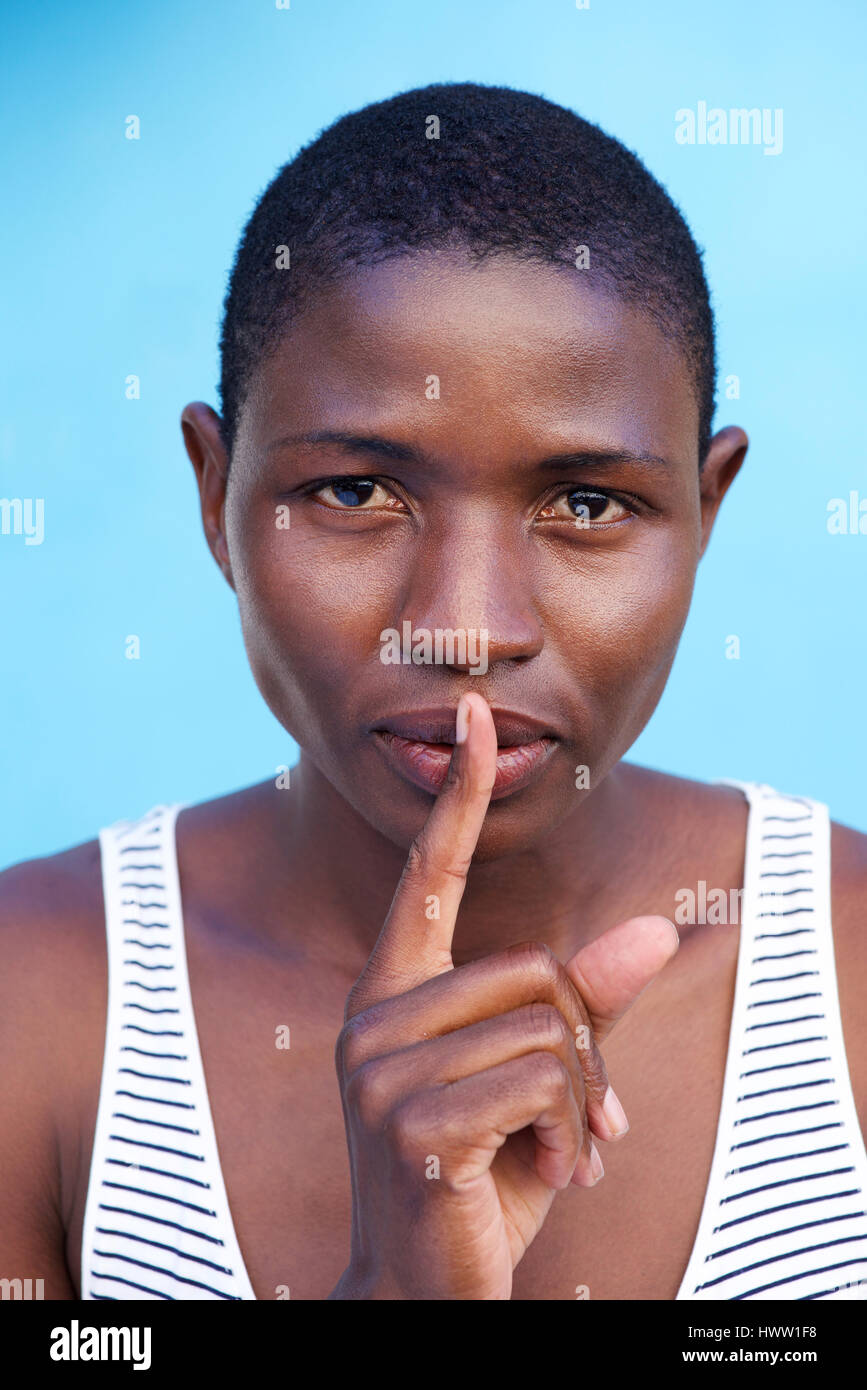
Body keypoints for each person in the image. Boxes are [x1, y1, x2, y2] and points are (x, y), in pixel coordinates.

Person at [2, 81, 866, 1302]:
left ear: (704, 510)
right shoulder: (35, 1000)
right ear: (216, 498)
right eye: (356, 492)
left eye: (587, 503)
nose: (465, 628)